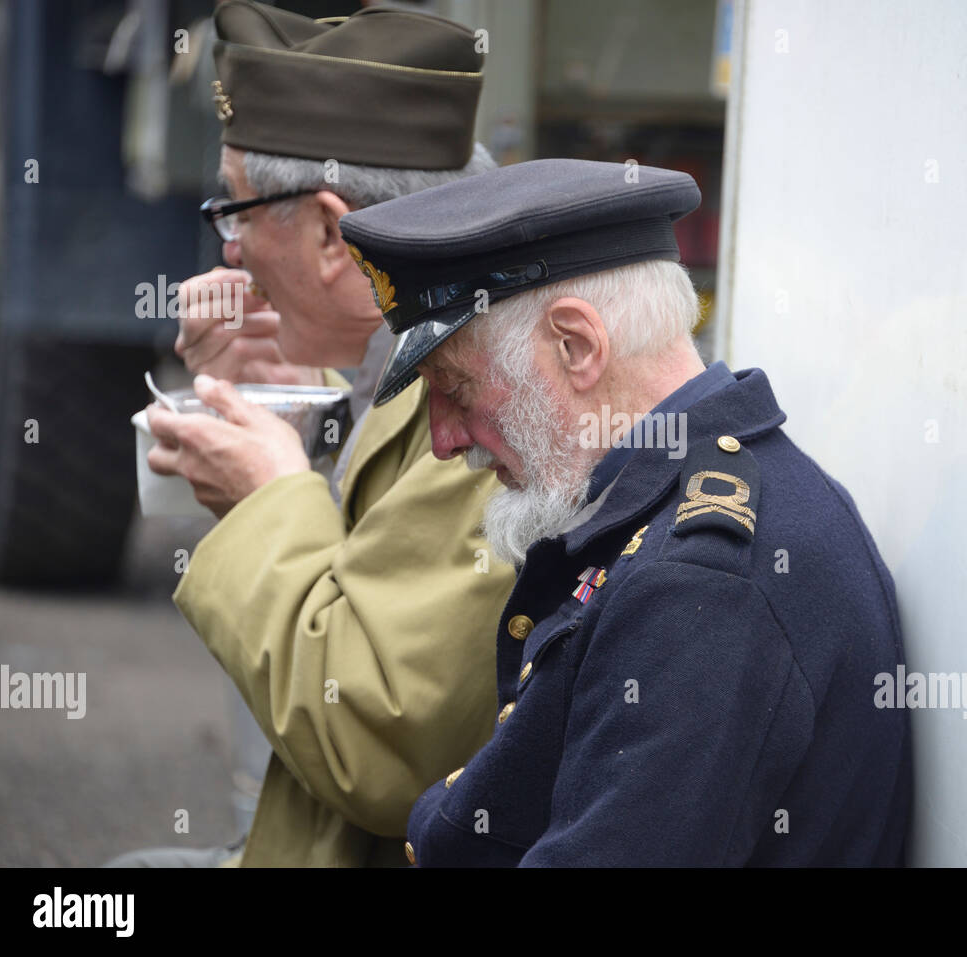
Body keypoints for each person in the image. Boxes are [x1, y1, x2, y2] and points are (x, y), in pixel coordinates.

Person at [335, 158, 914, 866]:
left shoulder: (703, 582)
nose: (443, 440)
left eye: (455, 386)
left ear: (576, 345)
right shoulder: (691, 507)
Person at [124, 2, 515, 867]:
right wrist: (293, 406)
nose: (228, 253)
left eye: (236, 210)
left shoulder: (489, 407)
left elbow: (372, 744)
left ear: (335, 232)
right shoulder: (434, 342)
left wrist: (269, 496)